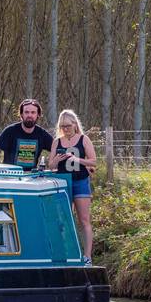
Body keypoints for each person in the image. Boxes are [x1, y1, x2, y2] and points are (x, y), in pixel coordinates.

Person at [48, 109, 97, 264]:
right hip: (63, 182)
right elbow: (51, 165)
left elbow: (93, 161)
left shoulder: (84, 139)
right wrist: (56, 160)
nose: (65, 129)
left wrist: (77, 159)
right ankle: (66, 254)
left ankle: (87, 256)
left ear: (75, 124)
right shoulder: (57, 142)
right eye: (62, 126)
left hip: (80, 181)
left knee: (84, 219)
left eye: (68, 125)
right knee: (63, 220)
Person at [0, 99, 54, 171]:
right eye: (26, 112)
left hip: (31, 178)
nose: (29, 115)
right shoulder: (10, 131)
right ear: (21, 114)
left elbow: (56, 149)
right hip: (10, 176)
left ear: (38, 115)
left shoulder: (42, 134)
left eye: (33, 112)